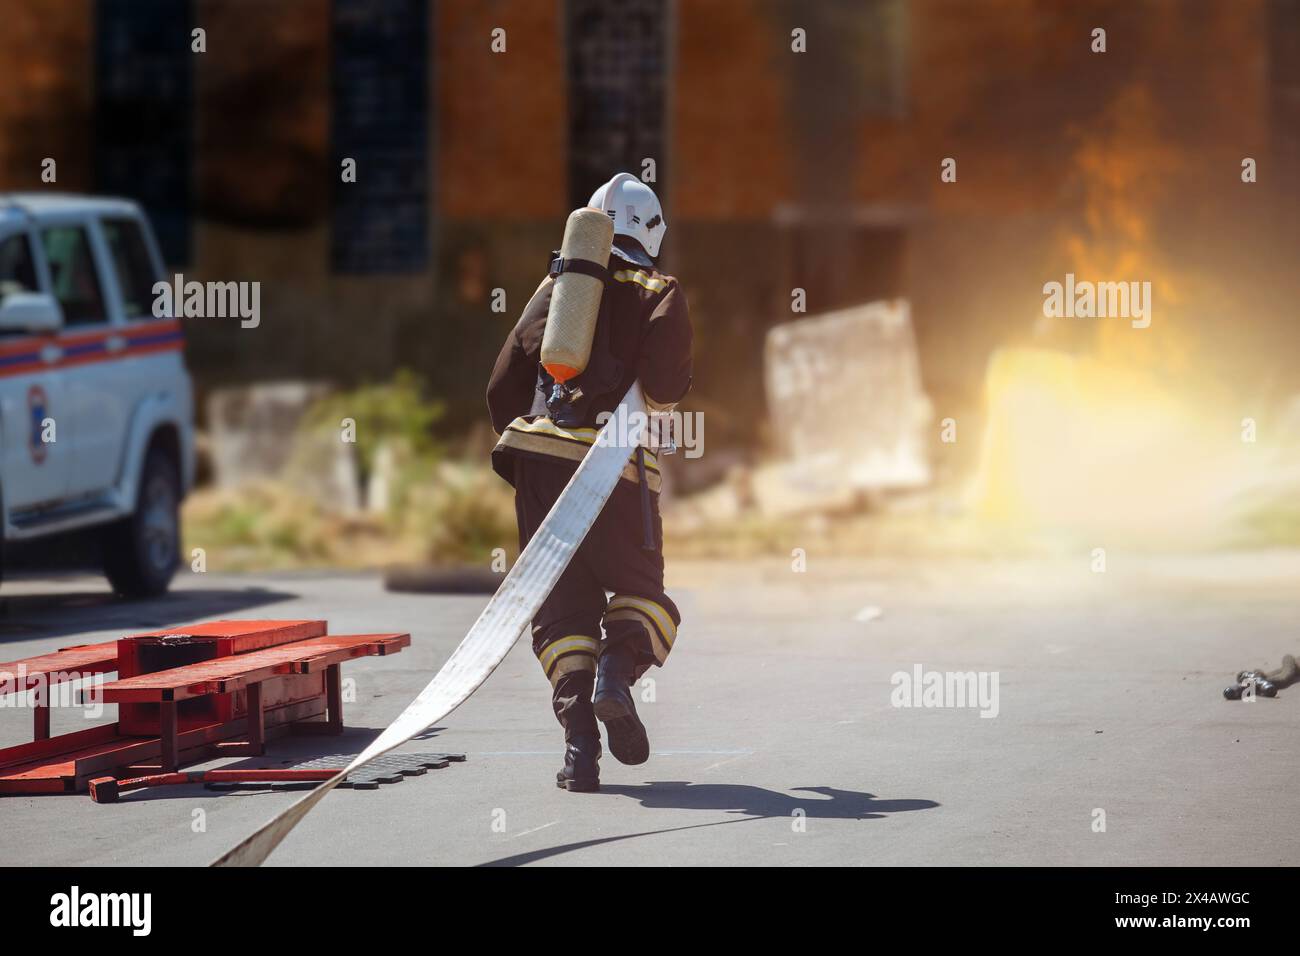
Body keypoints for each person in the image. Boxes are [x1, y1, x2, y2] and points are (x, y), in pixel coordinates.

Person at [486, 173, 693, 791]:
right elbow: (663, 385)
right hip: (614, 471)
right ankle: (615, 673)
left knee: (561, 608)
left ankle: (579, 751)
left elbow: (501, 386)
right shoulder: (660, 289)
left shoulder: (555, 288)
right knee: (641, 593)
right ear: (651, 231)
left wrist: (532, 459)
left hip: (538, 466)